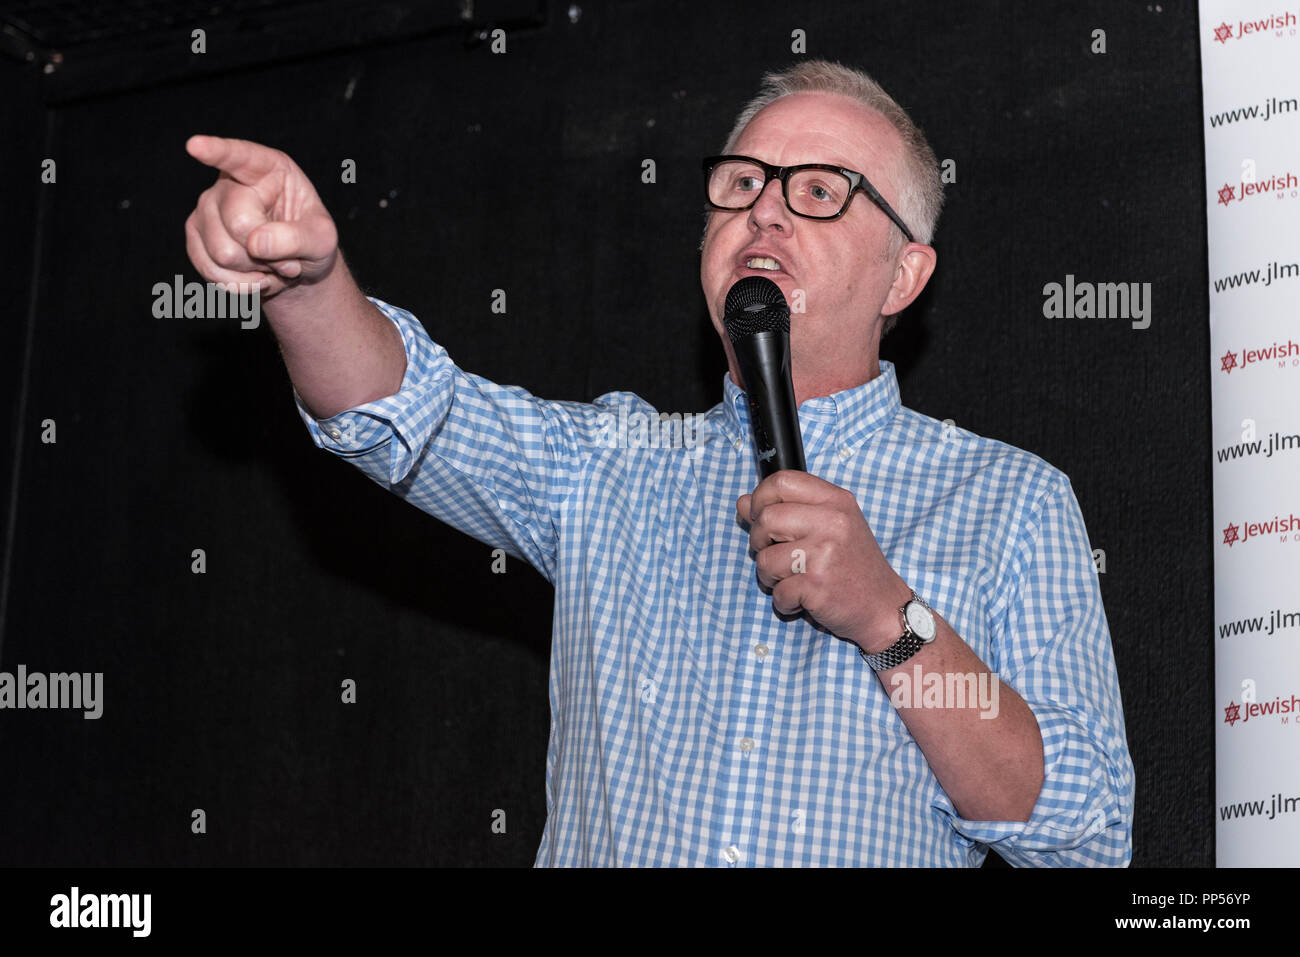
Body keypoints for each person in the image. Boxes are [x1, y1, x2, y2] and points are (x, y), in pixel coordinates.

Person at [184, 59, 1134, 866]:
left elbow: (1088, 833)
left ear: (904, 275)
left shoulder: (1009, 501)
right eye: (742, 184)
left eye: (818, 191)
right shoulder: (611, 467)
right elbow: (404, 410)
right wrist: (306, 285)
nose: (766, 212)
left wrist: (892, 619)